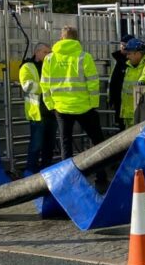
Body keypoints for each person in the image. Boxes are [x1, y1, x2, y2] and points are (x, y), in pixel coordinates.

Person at [40, 26, 107, 186]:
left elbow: (45, 83)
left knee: (65, 144)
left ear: (61, 39)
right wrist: (93, 104)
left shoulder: (50, 58)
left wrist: (51, 104)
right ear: (77, 39)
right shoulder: (84, 57)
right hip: (84, 106)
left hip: (61, 108)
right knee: (97, 142)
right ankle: (101, 178)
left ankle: (69, 181)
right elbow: (92, 82)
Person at [18, 43, 56, 175]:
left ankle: (46, 172)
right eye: (45, 52)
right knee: (36, 145)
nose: (48, 55)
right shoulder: (27, 67)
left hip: (52, 112)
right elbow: (27, 86)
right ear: (37, 52)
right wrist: (46, 87)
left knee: (49, 146)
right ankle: (30, 172)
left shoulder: (51, 66)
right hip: (37, 112)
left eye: (49, 52)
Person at [120, 37, 145, 129]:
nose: (127, 56)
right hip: (130, 113)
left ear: (138, 53)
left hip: (142, 113)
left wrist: (142, 81)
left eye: (129, 54)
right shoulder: (130, 66)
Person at [108, 33, 135, 132]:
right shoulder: (117, 59)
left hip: (130, 101)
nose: (123, 47)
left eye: (125, 44)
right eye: (121, 44)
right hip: (119, 100)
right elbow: (113, 81)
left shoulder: (133, 61)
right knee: (121, 128)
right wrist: (111, 98)